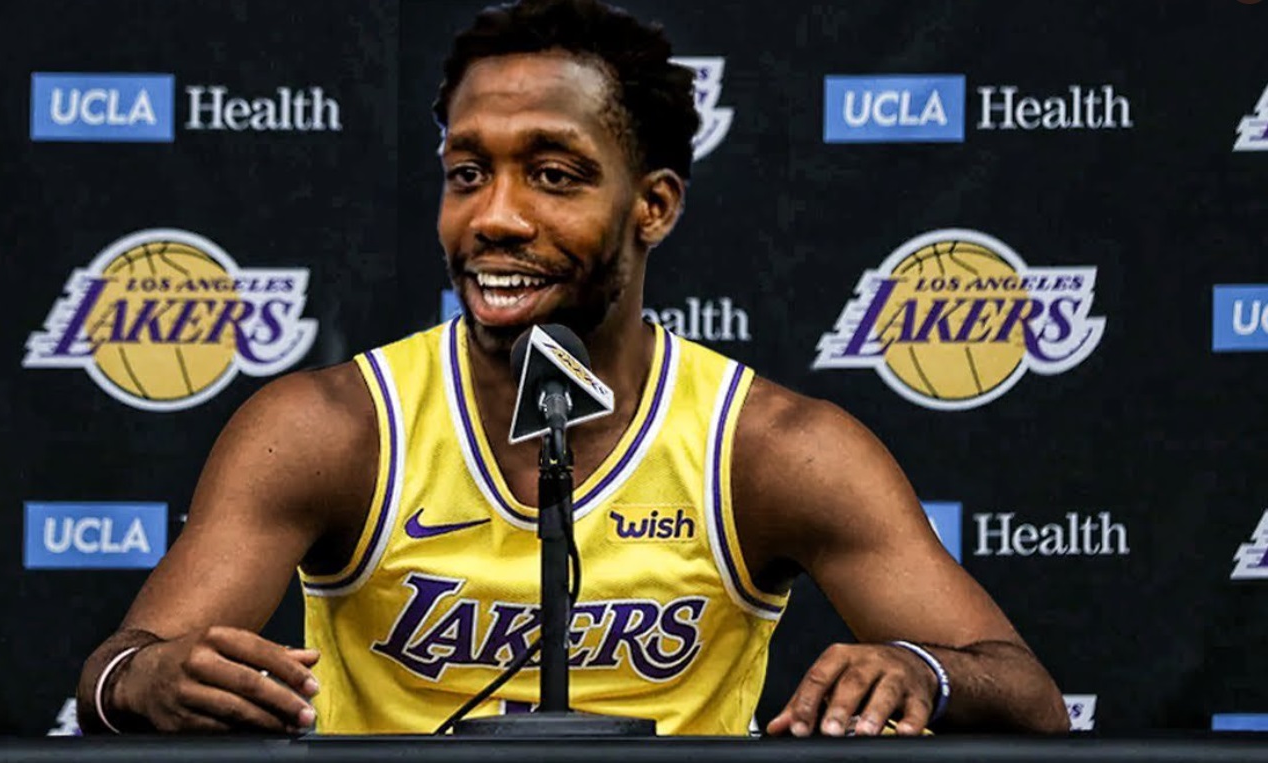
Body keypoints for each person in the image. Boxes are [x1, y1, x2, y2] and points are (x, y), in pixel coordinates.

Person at [75, 0, 1070, 738]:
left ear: (655, 206)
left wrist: (922, 673)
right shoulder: (331, 427)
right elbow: (118, 667)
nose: (495, 217)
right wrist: (146, 679)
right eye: (468, 173)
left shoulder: (773, 449)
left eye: (553, 175)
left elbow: (1026, 694)